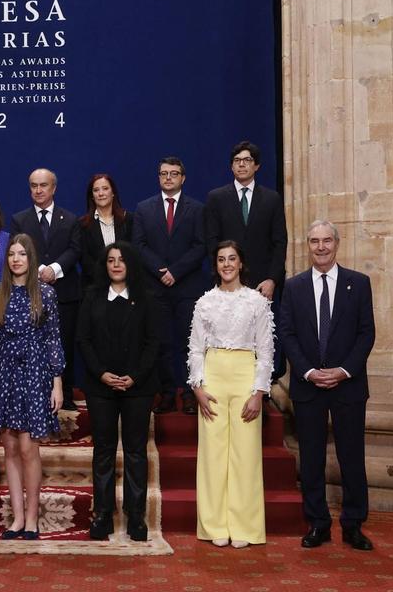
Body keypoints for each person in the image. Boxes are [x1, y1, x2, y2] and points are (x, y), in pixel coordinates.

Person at [277, 220, 375, 551]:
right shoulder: (293, 287)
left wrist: (344, 370)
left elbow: (366, 333)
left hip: (348, 386)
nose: (321, 247)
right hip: (308, 387)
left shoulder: (358, 284)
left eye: (327, 241)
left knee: (351, 457)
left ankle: (353, 525)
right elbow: (287, 334)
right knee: (312, 458)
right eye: (314, 241)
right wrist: (306, 372)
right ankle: (317, 523)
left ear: (337, 243)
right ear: (307, 245)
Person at [188, 241, 274, 549]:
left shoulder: (256, 302)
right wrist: (198, 387)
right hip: (213, 375)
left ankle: (245, 526)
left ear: (241, 264)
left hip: (245, 377)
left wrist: (258, 392)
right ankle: (214, 525)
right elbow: (196, 349)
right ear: (216, 265)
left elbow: (265, 351)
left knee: (246, 454)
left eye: (232, 259)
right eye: (221, 259)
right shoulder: (205, 302)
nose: (226, 264)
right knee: (212, 455)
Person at [75, 241, 158, 542]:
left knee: (136, 452)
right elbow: (83, 340)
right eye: (111, 260)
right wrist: (102, 374)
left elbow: (153, 343)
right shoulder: (92, 296)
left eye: (122, 259)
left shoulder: (146, 297)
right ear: (105, 265)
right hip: (101, 387)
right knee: (104, 451)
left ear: (130, 264)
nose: (116, 265)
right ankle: (102, 514)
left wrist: (134, 377)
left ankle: (136, 516)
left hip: (138, 387)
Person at [0, 233, 65, 540]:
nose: (16, 259)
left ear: (31, 259)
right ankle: (17, 518)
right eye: (11, 254)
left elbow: (52, 337)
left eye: (22, 254)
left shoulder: (45, 293)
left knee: (29, 447)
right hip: (3, 372)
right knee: (9, 446)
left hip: (35, 370)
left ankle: (32, 517)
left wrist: (57, 382)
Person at [203, 141, 288, 378]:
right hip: (227, 282)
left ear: (257, 166)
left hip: (262, 284)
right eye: (237, 160)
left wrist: (272, 279)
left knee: (262, 338)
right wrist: (223, 275)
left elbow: (279, 242)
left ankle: (264, 388)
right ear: (231, 166)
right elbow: (211, 240)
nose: (242, 164)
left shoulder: (271, 199)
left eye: (247, 160)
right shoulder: (216, 198)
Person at [131, 156, 208, 414]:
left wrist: (176, 271)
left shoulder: (197, 209)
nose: (168, 178)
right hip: (155, 287)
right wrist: (160, 270)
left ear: (183, 178)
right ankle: (164, 393)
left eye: (173, 174)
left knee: (190, 342)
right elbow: (138, 245)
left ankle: (188, 393)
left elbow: (201, 246)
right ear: (159, 177)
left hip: (188, 287)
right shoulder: (144, 208)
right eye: (164, 174)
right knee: (160, 342)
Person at [9, 168, 81, 409]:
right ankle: (38, 391)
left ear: (54, 188)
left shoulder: (70, 219)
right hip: (31, 293)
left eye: (43, 185)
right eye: (33, 185)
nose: (38, 190)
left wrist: (56, 268)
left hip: (65, 294)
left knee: (65, 344)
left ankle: (67, 394)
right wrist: (40, 270)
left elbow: (75, 249)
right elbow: (18, 249)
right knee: (36, 345)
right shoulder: (20, 219)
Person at [77, 173, 133, 293]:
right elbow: (84, 259)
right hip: (94, 289)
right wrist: (105, 278)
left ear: (113, 193)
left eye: (105, 188)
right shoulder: (83, 224)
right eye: (96, 190)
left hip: (126, 287)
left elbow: (134, 253)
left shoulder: (128, 219)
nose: (101, 193)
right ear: (92, 196)